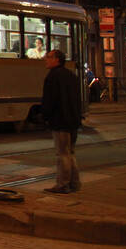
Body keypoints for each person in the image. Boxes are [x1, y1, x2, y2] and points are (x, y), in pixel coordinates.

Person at [40, 48, 82, 194]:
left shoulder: (52, 77)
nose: (46, 59)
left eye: (49, 57)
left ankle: (63, 184)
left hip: (60, 120)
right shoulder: (71, 75)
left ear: (57, 60)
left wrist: (45, 117)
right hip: (73, 120)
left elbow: (50, 100)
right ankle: (75, 183)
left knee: (62, 154)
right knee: (70, 152)